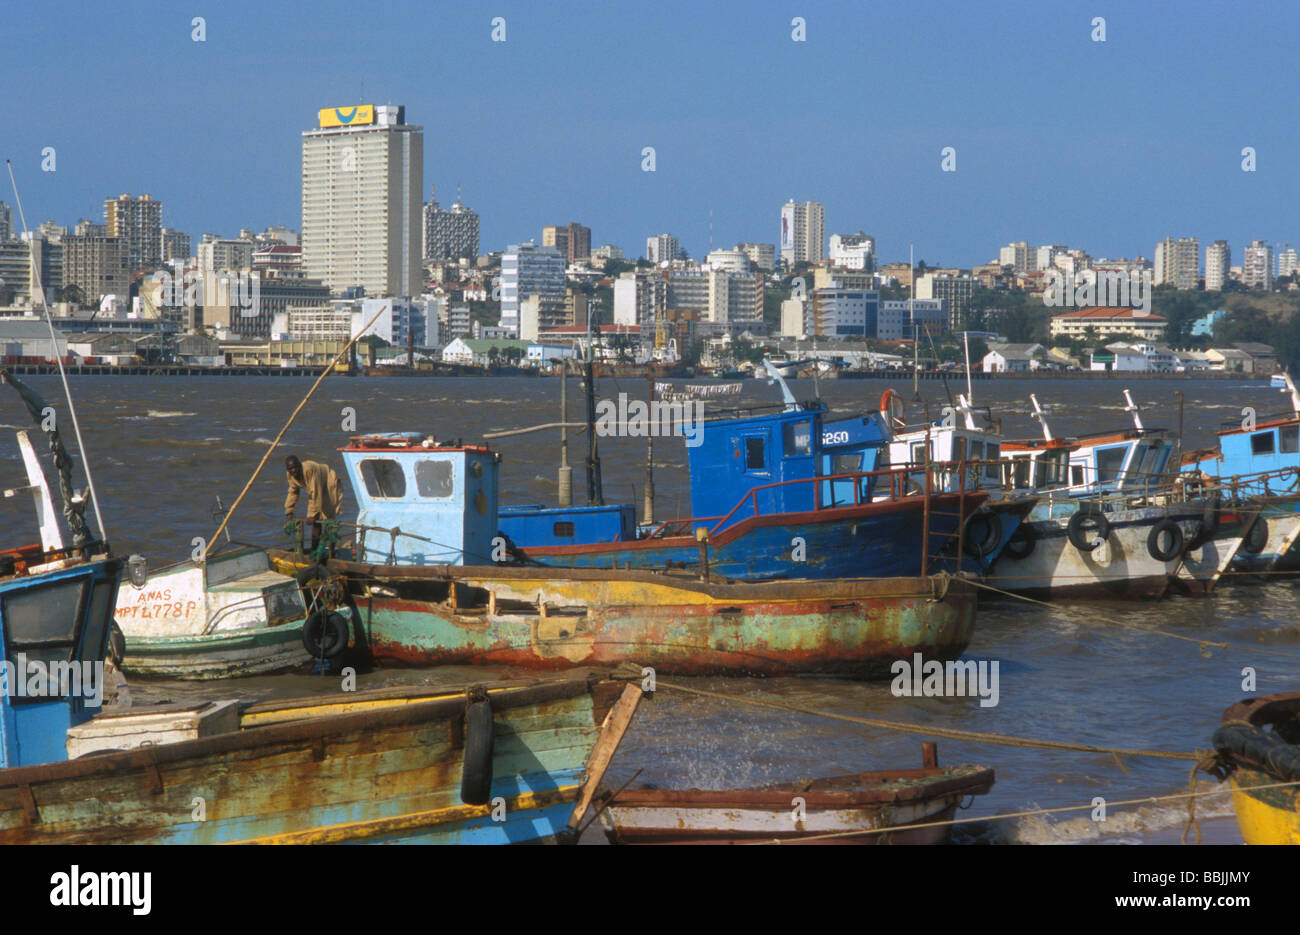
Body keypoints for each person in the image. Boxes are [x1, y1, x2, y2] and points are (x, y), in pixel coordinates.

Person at [285, 455, 344, 552]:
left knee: (327, 519)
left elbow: (315, 493)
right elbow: (293, 491)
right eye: (290, 469)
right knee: (316, 523)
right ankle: (314, 550)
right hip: (316, 488)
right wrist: (289, 511)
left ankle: (331, 552)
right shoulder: (290, 475)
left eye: (295, 467)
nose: (293, 471)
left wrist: (312, 515)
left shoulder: (309, 470)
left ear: (299, 466)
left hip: (328, 483)